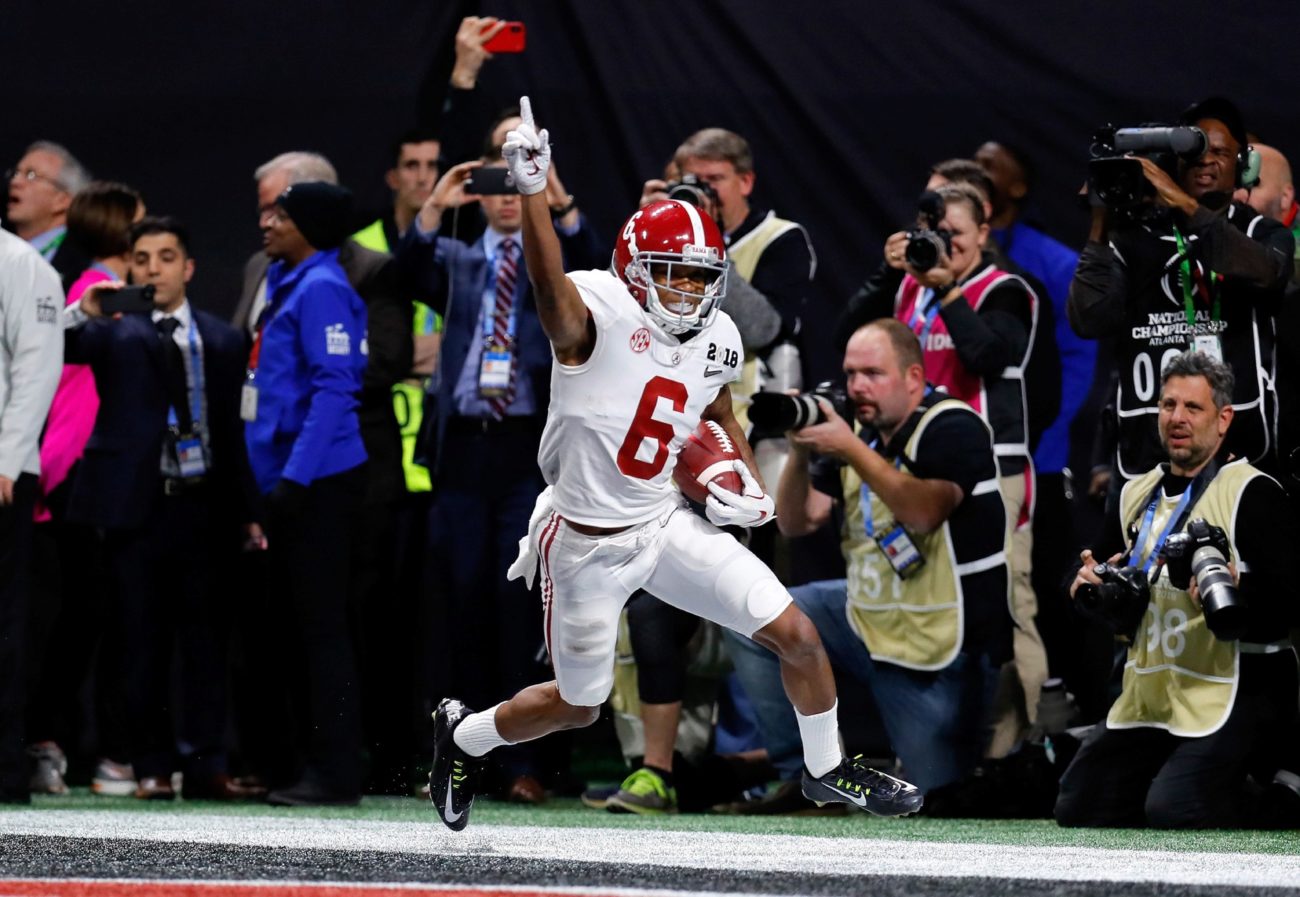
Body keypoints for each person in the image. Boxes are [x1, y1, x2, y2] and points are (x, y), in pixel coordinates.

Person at [427, 97, 922, 832]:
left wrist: (740, 475)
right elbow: (548, 287)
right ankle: (465, 736)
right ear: (634, 269)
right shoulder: (595, 312)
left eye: (699, 276)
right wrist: (533, 194)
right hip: (585, 540)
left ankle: (825, 770)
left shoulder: (717, 333)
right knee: (578, 704)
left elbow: (715, 409)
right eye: (674, 275)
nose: (689, 291)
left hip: (662, 521)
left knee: (797, 634)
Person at [727, 320, 1011, 803]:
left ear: (914, 378)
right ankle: (805, 775)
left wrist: (850, 448)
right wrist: (799, 454)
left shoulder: (953, 425)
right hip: (865, 616)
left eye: (873, 374)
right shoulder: (857, 431)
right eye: (851, 373)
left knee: (928, 800)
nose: (857, 387)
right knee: (749, 617)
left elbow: (923, 513)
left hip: (935, 645)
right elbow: (796, 521)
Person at [398, 151, 601, 803]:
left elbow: (594, 270)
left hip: (529, 448)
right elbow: (405, 273)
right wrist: (435, 203)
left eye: (519, 185)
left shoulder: (549, 259)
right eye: (496, 184)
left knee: (522, 599)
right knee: (461, 599)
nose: (509, 196)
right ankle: (462, 753)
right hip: (463, 444)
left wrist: (558, 199)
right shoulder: (458, 258)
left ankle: (526, 763)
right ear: (478, 192)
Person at [839, 183, 1047, 757]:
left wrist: (948, 290)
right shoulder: (909, 286)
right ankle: (945, 749)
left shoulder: (1005, 289)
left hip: (991, 473)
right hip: (915, 470)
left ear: (983, 232)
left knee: (1008, 608)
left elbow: (989, 357)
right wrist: (886, 275)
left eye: (954, 234)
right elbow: (847, 336)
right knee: (929, 606)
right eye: (933, 234)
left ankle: (1019, 752)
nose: (943, 245)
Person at [1055, 351, 1297, 828]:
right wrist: (1081, 583)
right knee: (1079, 807)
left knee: (1174, 809)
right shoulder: (1135, 493)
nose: (1177, 418)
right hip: (1155, 693)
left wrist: (1239, 590)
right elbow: (1086, 566)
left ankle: (1280, 793)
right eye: (1168, 405)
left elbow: (1291, 603)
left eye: (1193, 407)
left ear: (1223, 419)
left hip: (1238, 688)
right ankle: (1178, 778)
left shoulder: (1252, 492)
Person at [64, 217, 259, 801]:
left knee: (206, 642)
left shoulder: (222, 339)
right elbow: (58, 346)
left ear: (189, 267)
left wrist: (248, 509)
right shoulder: (113, 333)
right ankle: (149, 762)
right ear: (130, 268)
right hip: (138, 508)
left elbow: (232, 433)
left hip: (205, 507)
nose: (154, 269)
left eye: (166, 258)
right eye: (142, 259)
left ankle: (205, 764)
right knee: (140, 642)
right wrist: (84, 312)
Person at [1067, 97, 1294, 483]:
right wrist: (1101, 220)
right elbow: (1089, 319)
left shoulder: (1261, 233)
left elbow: (1264, 272)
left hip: (1239, 455)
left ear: (1243, 165)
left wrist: (1178, 200)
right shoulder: (1134, 238)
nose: (1206, 161)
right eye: (1194, 151)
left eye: (1220, 152)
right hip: (1146, 459)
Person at [244, 182, 369, 806]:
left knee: (320, 629)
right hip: (288, 481)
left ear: (311, 229)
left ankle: (336, 771)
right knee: (292, 628)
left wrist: (295, 478)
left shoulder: (321, 288)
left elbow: (334, 390)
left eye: (282, 215)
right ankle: (295, 763)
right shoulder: (285, 280)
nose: (268, 223)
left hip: (318, 483)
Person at [27, 181, 143, 798]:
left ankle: (56, 740)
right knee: (84, 617)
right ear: (120, 227)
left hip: (76, 465)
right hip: (79, 467)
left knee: (84, 616)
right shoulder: (99, 294)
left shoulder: (98, 289)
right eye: (141, 221)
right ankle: (46, 740)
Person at [0, 228, 64, 804]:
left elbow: (38, 366)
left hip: (1, 474)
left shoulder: (21, 263)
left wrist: (8, 458)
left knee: (2, 626)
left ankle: (4, 769)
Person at [5, 141, 92, 290]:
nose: (15, 182)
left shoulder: (88, 260)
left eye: (31, 175)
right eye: (16, 173)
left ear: (62, 200)